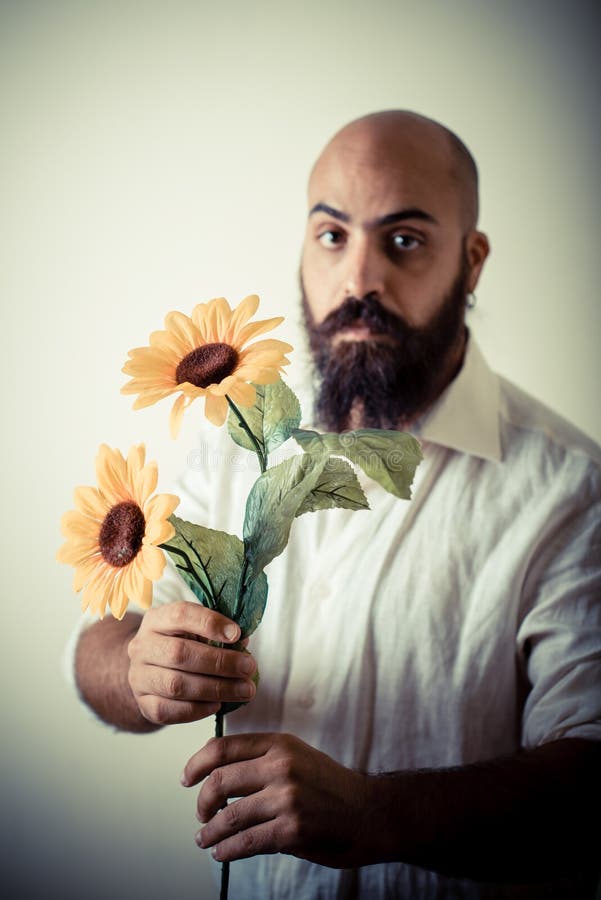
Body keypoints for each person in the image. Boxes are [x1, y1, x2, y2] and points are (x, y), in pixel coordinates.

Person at [73, 111, 601, 899]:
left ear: (471, 260)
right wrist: (138, 670)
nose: (359, 281)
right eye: (331, 235)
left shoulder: (570, 494)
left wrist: (376, 815)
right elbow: (101, 643)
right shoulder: (234, 439)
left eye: (403, 240)